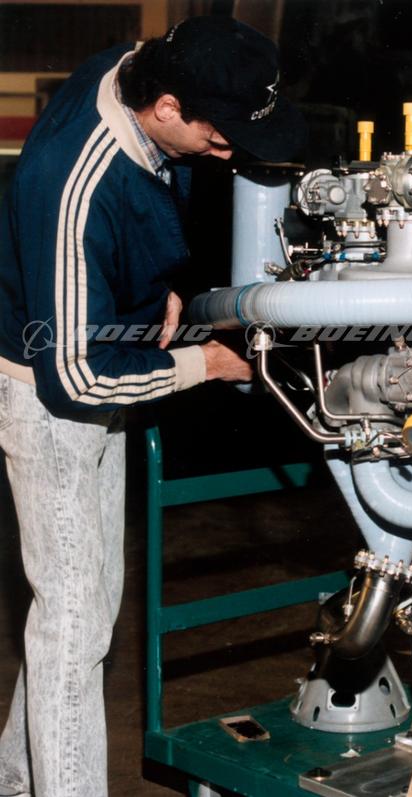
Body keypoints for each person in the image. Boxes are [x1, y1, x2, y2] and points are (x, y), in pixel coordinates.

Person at [0, 16, 305, 797]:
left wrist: (152, 284)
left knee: (88, 608)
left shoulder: (141, 69)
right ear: (165, 107)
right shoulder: (70, 182)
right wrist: (202, 361)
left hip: (108, 348)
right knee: (72, 625)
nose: (230, 150)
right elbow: (76, 378)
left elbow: (154, 195)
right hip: (47, 391)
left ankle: (13, 778)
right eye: (220, 134)